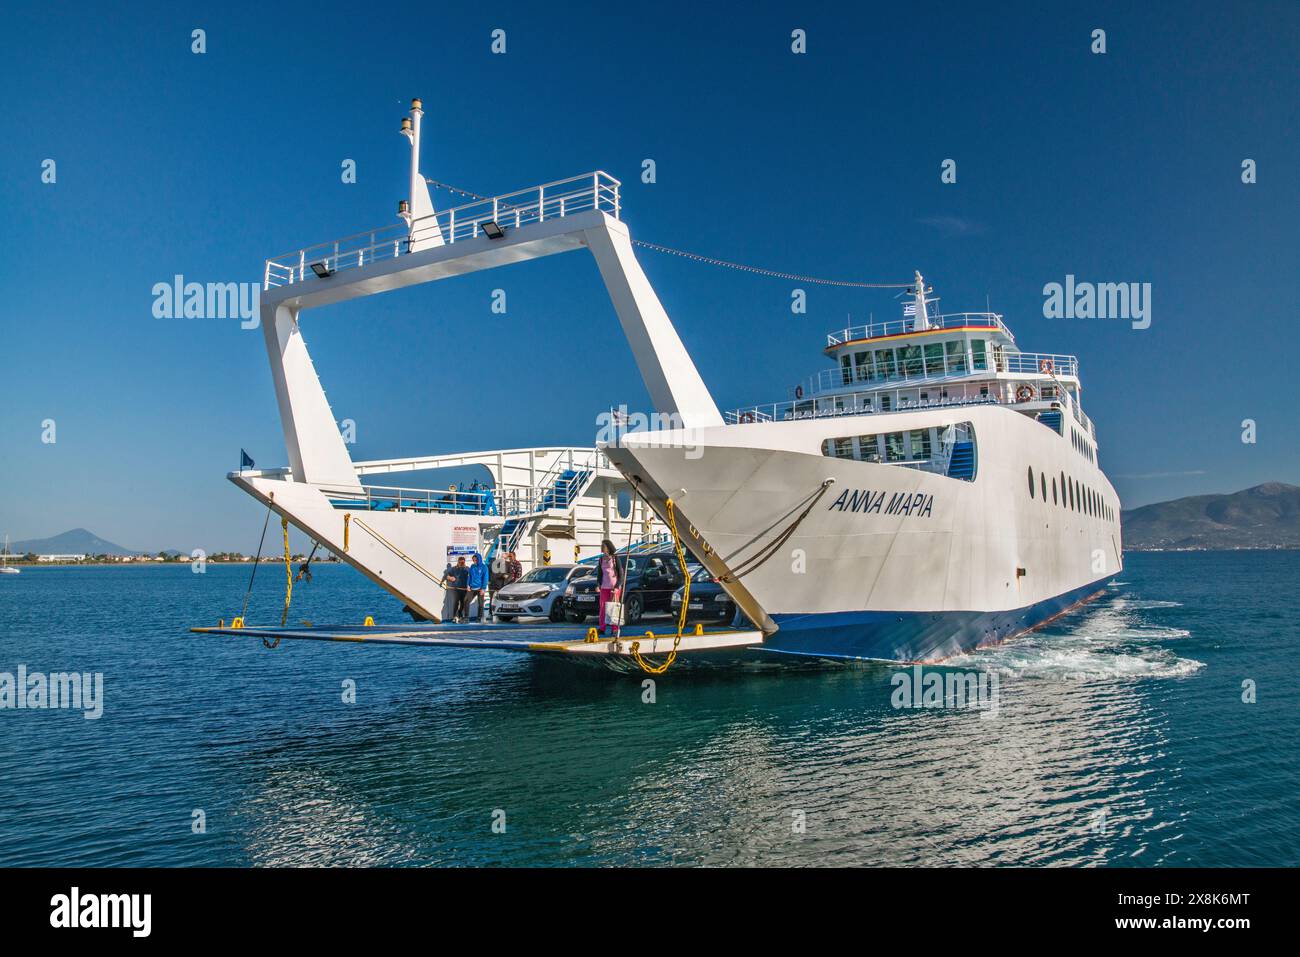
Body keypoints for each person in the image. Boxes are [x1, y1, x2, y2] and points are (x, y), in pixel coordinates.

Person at [595, 539, 624, 637]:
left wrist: (617, 587)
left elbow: (621, 574)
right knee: (603, 608)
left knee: (613, 608)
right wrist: (598, 585)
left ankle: (615, 629)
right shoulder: (601, 559)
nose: (601, 547)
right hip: (604, 587)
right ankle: (602, 628)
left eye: (603, 546)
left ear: (608, 547)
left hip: (614, 588)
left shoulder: (615, 558)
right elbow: (599, 574)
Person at [464, 553, 489, 622]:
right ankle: (466, 617)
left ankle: (479, 617)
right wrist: (468, 585)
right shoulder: (472, 566)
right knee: (466, 601)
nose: (474, 561)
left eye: (475, 560)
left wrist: (483, 588)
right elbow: (469, 576)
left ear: (479, 559)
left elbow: (485, 578)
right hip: (472, 588)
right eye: (473, 560)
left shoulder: (484, 567)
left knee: (480, 604)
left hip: (480, 588)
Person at [446, 556, 470, 623]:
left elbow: (472, 576)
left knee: (463, 603)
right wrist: (450, 578)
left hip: (465, 589)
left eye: (462, 562)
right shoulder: (453, 569)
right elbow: (447, 576)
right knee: (456, 602)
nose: (461, 563)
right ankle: (454, 616)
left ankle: (459, 613)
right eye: (460, 562)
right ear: (458, 562)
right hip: (456, 588)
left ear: (464, 562)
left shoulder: (467, 569)